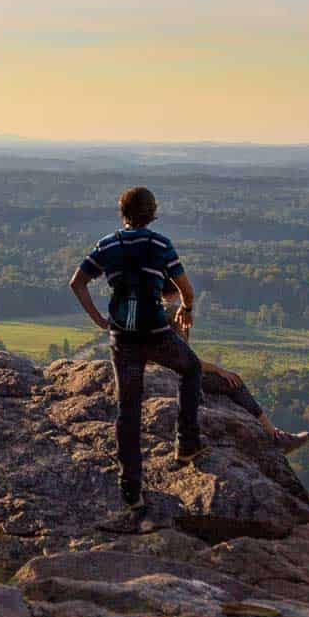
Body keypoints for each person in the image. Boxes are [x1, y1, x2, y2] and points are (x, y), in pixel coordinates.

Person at [69, 185, 202, 510]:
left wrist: (99, 319)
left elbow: (77, 282)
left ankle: (131, 489)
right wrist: (186, 308)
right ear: (152, 213)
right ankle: (186, 443)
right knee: (191, 369)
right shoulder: (160, 244)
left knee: (128, 409)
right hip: (156, 333)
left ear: (123, 213)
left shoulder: (107, 244)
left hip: (122, 337)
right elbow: (186, 290)